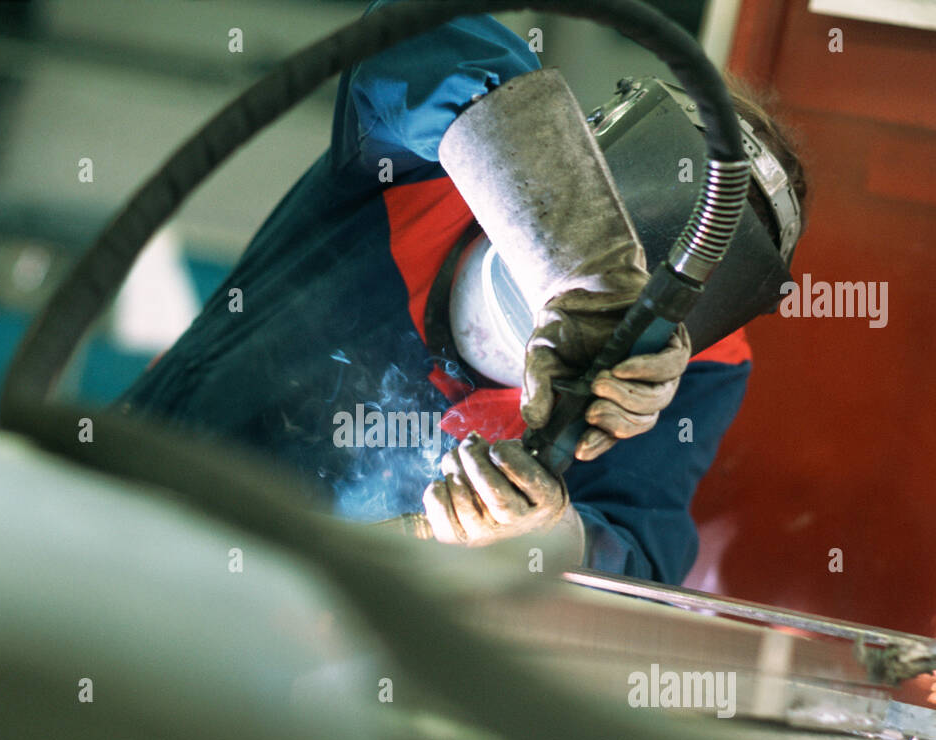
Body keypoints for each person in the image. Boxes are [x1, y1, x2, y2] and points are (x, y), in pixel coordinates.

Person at [119, 0, 808, 584]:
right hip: (129, 501)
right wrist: (579, 260)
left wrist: (548, 533)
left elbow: (640, 551)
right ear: (578, 155)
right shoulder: (442, 158)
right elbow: (413, 29)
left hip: (317, 643)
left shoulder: (700, 365)